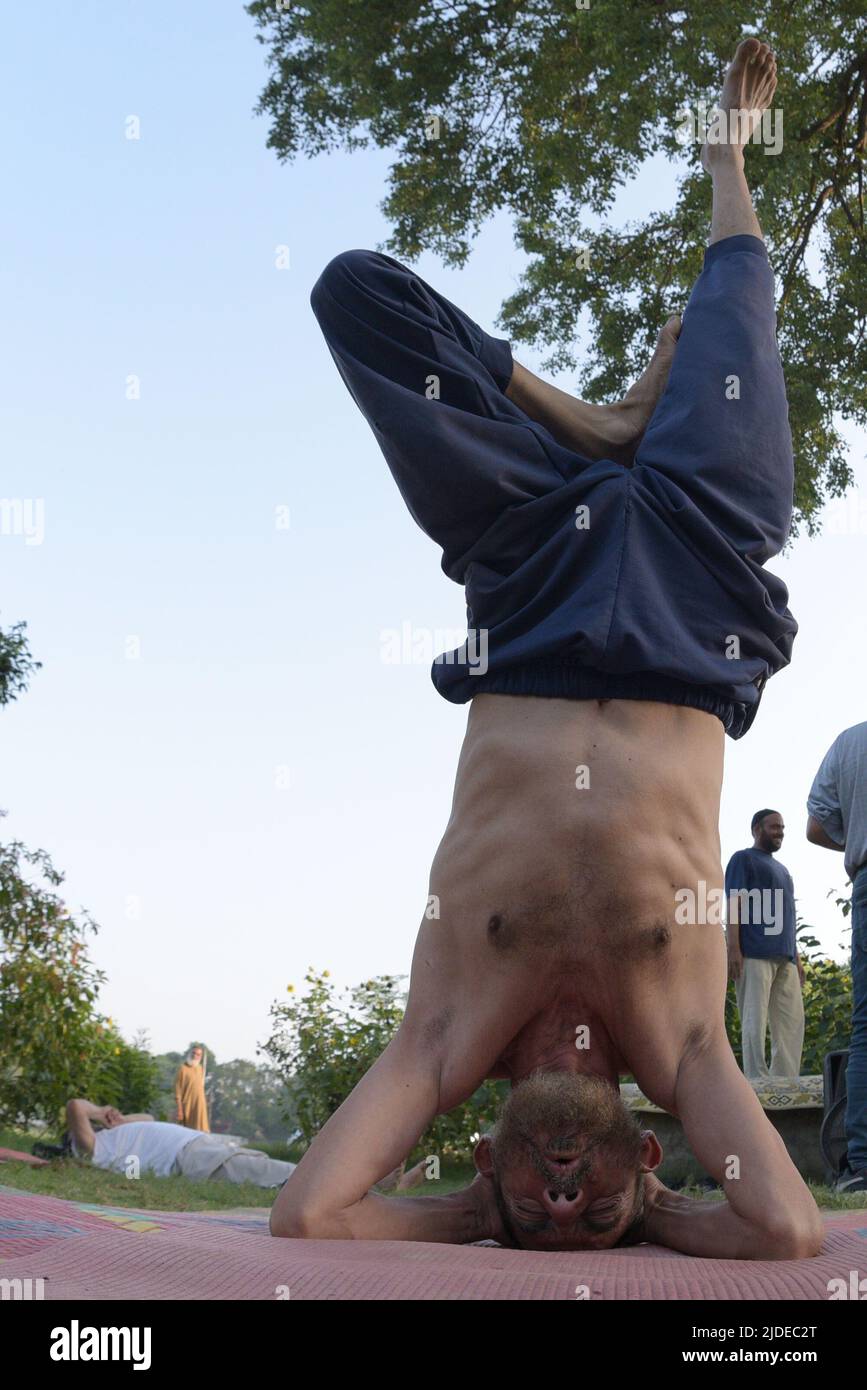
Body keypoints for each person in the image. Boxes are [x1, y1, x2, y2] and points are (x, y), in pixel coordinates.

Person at [272, 40, 822, 1258]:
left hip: (531, 574)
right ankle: (726, 160)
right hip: (702, 587)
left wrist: (473, 1220)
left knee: (355, 292)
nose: (561, 1192)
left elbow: (313, 1214)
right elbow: (784, 1229)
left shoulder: (449, 1036)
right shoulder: (682, 1050)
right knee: (739, 292)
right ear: (643, 1156)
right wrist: (663, 1221)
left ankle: (605, 422)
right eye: (594, 1205)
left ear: (484, 1155)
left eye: (537, 1206)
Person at [807, 721, 867, 1193]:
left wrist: (853, 838)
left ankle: (862, 1165)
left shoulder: (849, 742)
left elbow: (815, 827)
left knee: (866, 1027)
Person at [725, 809, 804, 1079]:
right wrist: (733, 949)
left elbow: (787, 916)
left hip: (786, 958)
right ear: (757, 829)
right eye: (774, 827)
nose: (780, 832)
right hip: (754, 954)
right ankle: (757, 1081)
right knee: (754, 1020)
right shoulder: (743, 859)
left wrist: (797, 958)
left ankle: (785, 1081)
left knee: (791, 1023)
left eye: (782, 827)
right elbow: (733, 902)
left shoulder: (783, 871)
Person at [65, 1098, 295, 1188]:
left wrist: (121, 1120)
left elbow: (149, 1118)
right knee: (258, 1171)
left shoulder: (115, 1133)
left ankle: (311, 1179)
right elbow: (75, 1105)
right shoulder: (91, 1149)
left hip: (196, 1143)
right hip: (186, 1157)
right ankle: (313, 1184)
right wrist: (100, 1111)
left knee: (254, 1162)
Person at [174, 1044, 210, 1131]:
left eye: (198, 1054)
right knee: (186, 1130)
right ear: (190, 1053)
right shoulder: (183, 1068)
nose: (195, 1056)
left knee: (200, 1130)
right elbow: (178, 1090)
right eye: (194, 1053)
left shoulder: (200, 1068)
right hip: (187, 1105)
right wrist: (180, 1109)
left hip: (199, 1105)